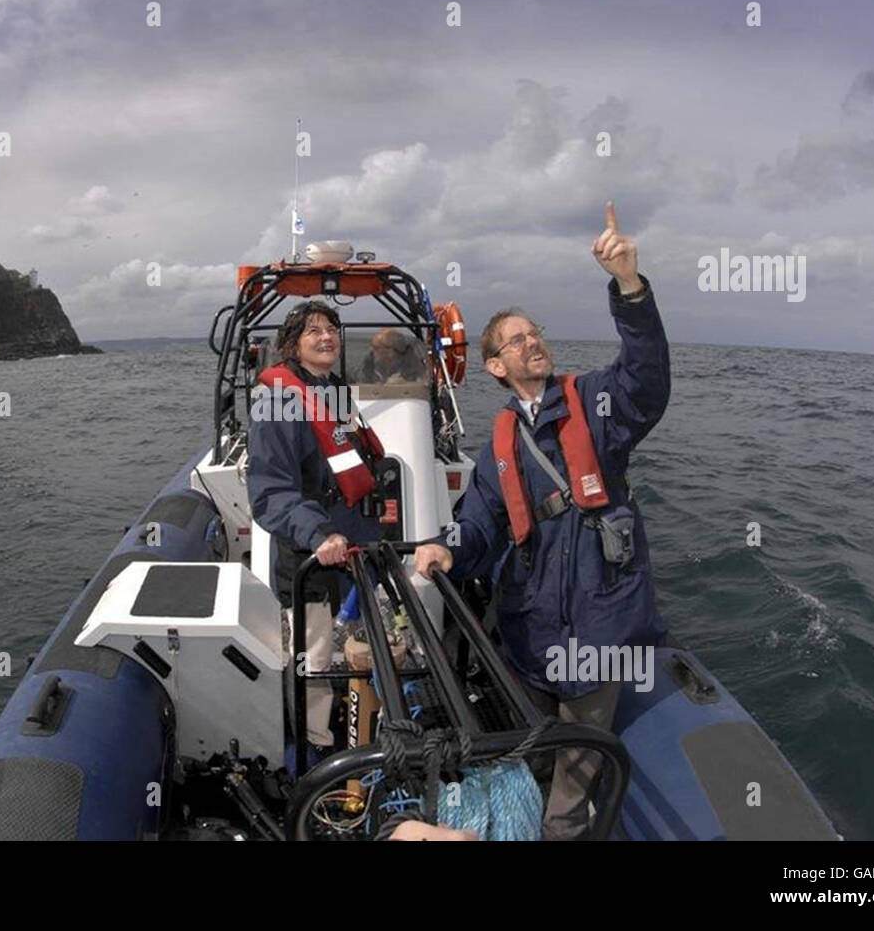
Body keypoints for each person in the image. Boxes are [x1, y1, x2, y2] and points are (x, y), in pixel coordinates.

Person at [413, 201, 670, 840]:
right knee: (536, 743)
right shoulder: (500, 442)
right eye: (516, 340)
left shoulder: (594, 402)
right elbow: (480, 523)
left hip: (597, 619)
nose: (533, 343)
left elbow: (647, 379)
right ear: (495, 367)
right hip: (531, 627)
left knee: (573, 783)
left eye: (536, 333)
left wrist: (630, 288)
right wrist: (447, 549)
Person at [247, 301, 386, 758]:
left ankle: (364, 729)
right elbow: (270, 493)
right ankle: (317, 752)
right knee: (316, 658)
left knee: (360, 647)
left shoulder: (333, 389)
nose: (326, 337)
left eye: (332, 329)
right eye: (313, 331)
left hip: (356, 550)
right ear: (292, 344)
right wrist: (319, 535)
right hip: (312, 555)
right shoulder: (277, 399)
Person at [360, 328, 426, 384]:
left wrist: (404, 383)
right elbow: (358, 387)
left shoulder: (411, 362)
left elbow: (424, 384)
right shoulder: (369, 363)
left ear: (390, 350)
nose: (372, 350)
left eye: (376, 347)